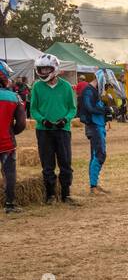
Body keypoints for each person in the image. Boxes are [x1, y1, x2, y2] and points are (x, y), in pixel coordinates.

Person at [29, 54, 78, 205]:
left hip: (63, 130)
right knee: (47, 163)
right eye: (41, 69)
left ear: (55, 68)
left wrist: (66, 119)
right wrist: (43, 120)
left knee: (65, 162)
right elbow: (33, 109)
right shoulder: (37, 86)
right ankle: (50, 195)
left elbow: (72, 108)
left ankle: (66, 194)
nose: (43, 71)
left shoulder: (66, 87)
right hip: (44, 130)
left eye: (46, 68)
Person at [0, 60, 28, 214]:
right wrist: (12, 132)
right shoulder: (14, 97)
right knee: (9, 172)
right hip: (6, 142)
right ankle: (10, 204)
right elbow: (22, 123)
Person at [79, 69, 110, 195]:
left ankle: (94, 184)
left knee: (97, 154)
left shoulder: (94, 91)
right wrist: (104, 110)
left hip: (99, 125)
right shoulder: (88, 91)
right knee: (99, 154)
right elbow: (89, 108)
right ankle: (93, 186)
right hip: (94, 126)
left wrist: (108, 111)